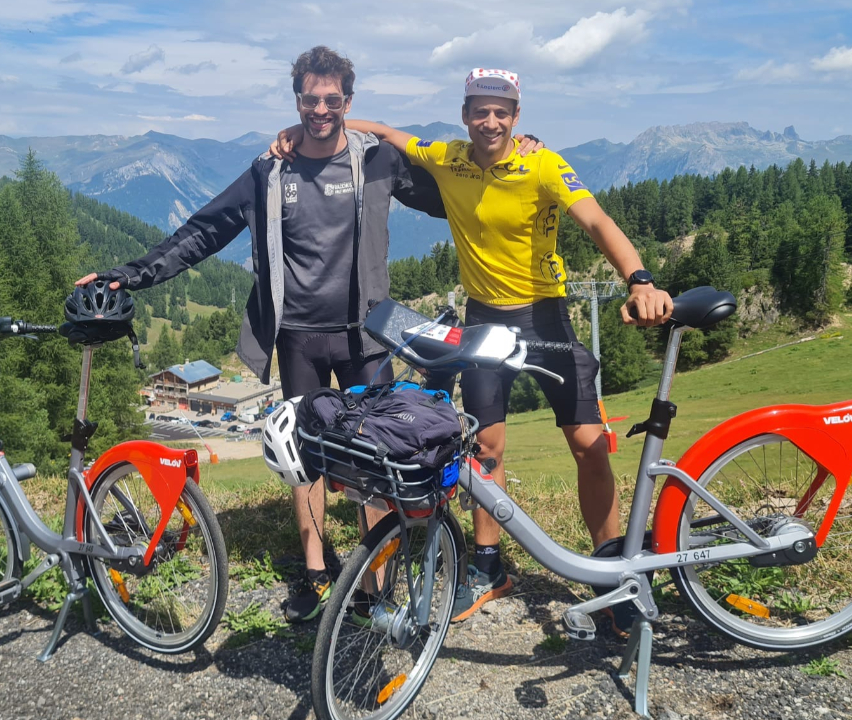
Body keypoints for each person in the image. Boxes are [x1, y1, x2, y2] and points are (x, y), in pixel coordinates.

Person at [77, 48, 539, 624]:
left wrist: (506, 156)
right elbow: (204, 231)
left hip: (369, 337)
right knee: (305, 459)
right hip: (296, 335)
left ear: (349, 101)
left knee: (378, 459)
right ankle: (317, 573)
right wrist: (130, 275)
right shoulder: (268, 171)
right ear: (297, 100)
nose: (320, 110)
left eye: (332, 100)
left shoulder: (378, 163)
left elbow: (458, 193)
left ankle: (376, 583)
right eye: (309, 100)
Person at [274, 68, 673, 626]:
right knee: (485, 448)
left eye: (501, 112)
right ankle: (488, 567)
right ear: (465, 116)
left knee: (588, 444)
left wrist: (640, 280)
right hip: (484, 320)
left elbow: (597, 221)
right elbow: (387, 132)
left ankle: (613, 567)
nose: (490, 121)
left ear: (516, 117)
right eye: (479, 111)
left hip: (546, 317)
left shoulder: (545, 164)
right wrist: (303, 130)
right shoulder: (449, 157)